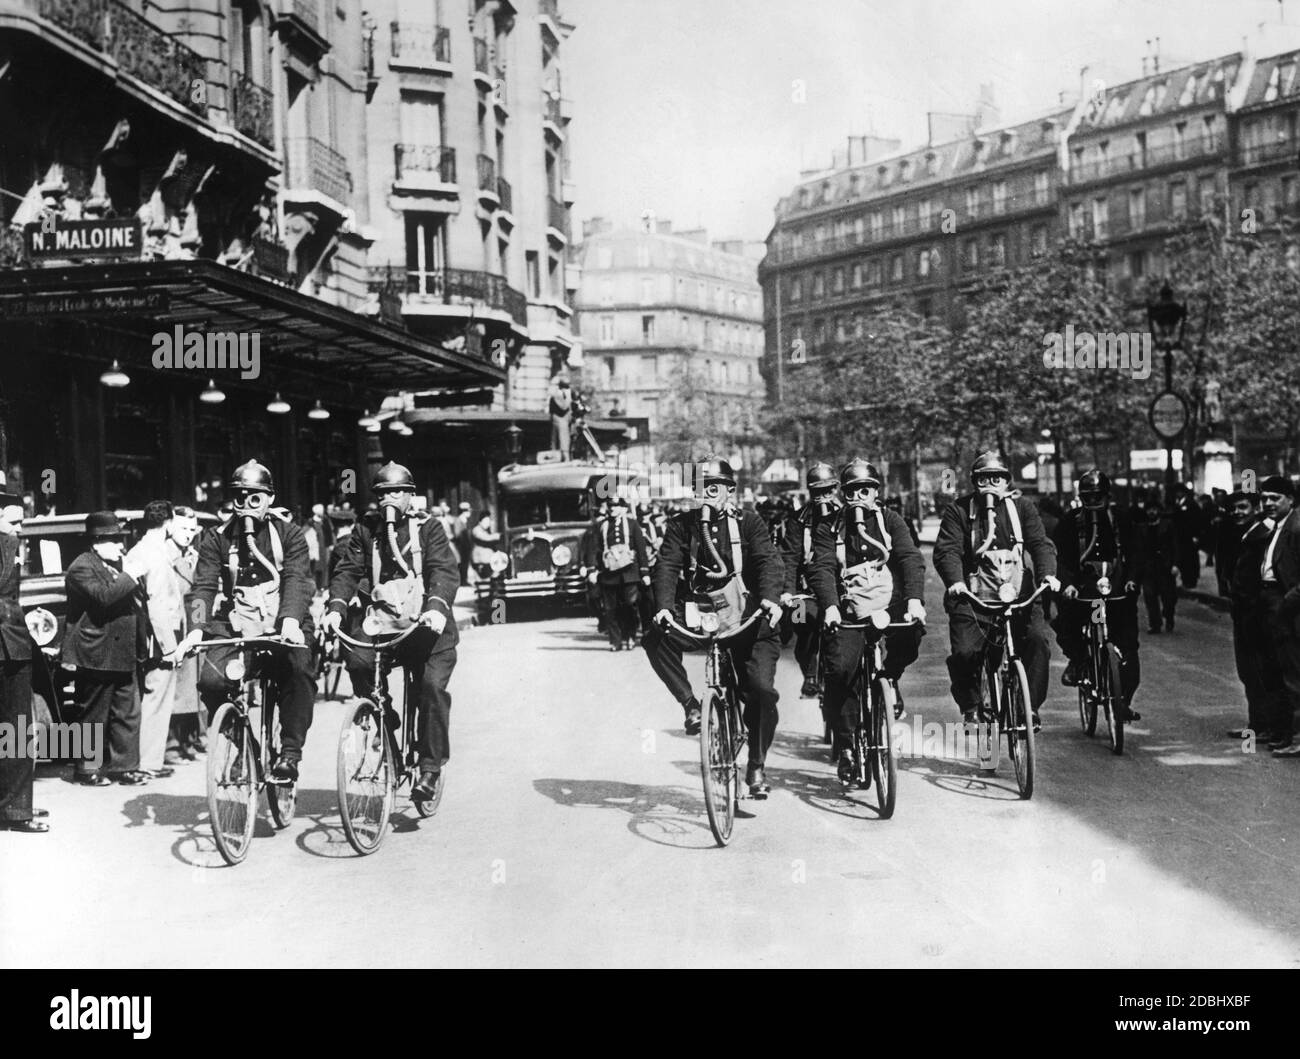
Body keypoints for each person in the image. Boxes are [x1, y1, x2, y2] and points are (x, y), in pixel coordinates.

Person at [643, 458, 784, 797]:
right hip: (702, 613)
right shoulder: (682, 526)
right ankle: (691, 705)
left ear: (728, 491)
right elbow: (666, 565)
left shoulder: (749, 522)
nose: (707, 495)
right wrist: (663, 608)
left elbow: (767, 560)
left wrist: (770, 599)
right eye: (700, 488)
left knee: (761, 690)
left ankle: (756, 763)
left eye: (714, 487)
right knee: (655, 638)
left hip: (747, 616)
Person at [322, 462, 461, 799]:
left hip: (427, 625)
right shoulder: (365, 530)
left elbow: (443, 569)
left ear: (410, 495)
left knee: (430, 687)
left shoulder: (429, 528)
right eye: (384, 493)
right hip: (385, 620)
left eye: (398, 492)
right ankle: (380, 710)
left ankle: (429, 768)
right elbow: (346, 571)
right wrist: (336, 609)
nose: (391, 499)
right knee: (357, 659)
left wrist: (437, 608)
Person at [177, 461, 316, 782]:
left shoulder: (290, 534)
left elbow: (298, 579)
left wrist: (292, 621)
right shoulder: (216, 538)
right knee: (211, 682)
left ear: (269, 499)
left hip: (284, 620)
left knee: (298, 672)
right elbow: (204, 586)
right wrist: (196, 628)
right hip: (238, 621)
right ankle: (243, 743)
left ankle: (290, 754)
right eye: (240, 498)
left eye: (255, 498)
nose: (247, 506)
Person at [810, 459, 927, 783]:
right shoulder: (829, 527)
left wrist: (914, 599)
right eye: (852, 492)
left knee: (912, 635)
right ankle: (847, 746)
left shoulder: (891, 521)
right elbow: (821, 568)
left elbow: (908, 558)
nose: (860, 497)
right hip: (848, 609)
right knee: (840, 669)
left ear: (877, 492)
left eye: (866, 490)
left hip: (889, 605)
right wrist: (830, 607)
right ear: (843, 496)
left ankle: (890, 677)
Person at [932, 452, 1059, 729]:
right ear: (974, 483)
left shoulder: (1023, 508)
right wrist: (956, 581)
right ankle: (971, 705)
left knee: (1037, 642)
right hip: (974, 598)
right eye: (983, 479)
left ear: (1006, 482)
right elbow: (947, 551)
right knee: (965, 652)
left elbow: (1040, 544)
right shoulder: (959, 511)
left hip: (1018, 596)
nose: (990, 484)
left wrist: (1048, 575)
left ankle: (1029, 708)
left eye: (997, 478)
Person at [63, 512, 151, 785]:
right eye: (113, 541)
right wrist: (131, 575)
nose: (120, 546)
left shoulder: (117, 564)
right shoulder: (82, 567)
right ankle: (87, 769)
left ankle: (123, 767)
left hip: (123, 650)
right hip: (97, 651)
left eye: (119, 540)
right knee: (94, 713)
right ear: (96, 542)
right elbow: (103, 598)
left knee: (127, 711)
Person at [1052, 470, 1144, 720]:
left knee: (1128, 646)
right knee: (1067, 622)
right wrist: (1067, 584)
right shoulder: (1071, 521)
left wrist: (1133, 580)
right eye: (1088, 498)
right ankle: (1078, 660)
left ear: (1108, 496)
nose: (1093, 503)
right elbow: (1059, 558)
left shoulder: (1122, 519)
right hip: (1084, 593)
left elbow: (1136, 552)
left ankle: (1123, 698)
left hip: (1117, 594)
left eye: (1098, 497)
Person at [125, 500, 188, 779]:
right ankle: (149, 761)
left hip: (142, 635)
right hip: (158, 636)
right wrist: (170, 647)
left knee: (149, 697)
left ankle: (147, 758)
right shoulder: (157, 554)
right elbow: (159, 604)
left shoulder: (138, 550)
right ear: (170, 522)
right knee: (157, 698)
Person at [0, 488, 47, 831]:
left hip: (13, 647)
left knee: (16, 732)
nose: (19, 530)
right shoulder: (8, 546)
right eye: (13, 523)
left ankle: (16, 809)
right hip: (8, 646)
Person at [779, 462, 841, 700]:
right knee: (801, 623)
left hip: (839, 586)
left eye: (828, 491)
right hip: (805, 590)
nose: (823, 497)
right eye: (817, 492)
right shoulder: (799, 519)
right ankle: (810, 674)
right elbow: (790, 557)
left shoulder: (846, 515)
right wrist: (788, 591)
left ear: (836, 489)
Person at [1224, 490, 1280, 742]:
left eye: (1243, 507)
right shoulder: (1242, 533)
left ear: (1255, 507)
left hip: (1255, 613)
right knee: (1247, 671)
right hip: (1243, 612)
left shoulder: (1263, 533)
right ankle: (1257, 724)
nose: (1237, 512)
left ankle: (1268, 726)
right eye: (1234, 508)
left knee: (1260, 670)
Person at [1256, 476, 1300, 757]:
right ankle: (1285, 732)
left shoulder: (1296, 527)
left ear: (1291, 500)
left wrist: (1285, 604)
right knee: (1279, 672)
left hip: (1288, 607)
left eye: (1275, 498)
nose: (1268, 503)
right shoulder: (1277, 526)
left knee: (1295, 676)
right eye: (1265, 498)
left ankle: (1296, 736)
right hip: (1272, 602)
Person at [584, 495, 651, 651]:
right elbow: (593, 550)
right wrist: (592, 570)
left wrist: (645, 572)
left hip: (629, 573)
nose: (612, 509)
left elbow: (641, 550)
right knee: (610, 609)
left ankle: (630, 636)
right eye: (610, 506)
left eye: (616, 506)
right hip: (609, 575)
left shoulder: (632, 525)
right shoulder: (601, 526)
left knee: (630, 605)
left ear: (623, 508)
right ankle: (616, 640)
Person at [164, 507, 204, 763]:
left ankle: (188, 742)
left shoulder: (194, 556)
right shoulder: (164, 555)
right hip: (172, 627)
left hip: (191, 626)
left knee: (192, 688)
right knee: (173, 689)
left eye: (192, 530)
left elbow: (200, 592)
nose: (188, 535)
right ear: (170, 528)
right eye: (183, 529)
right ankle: (170, 746)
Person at [1135, 490, 1178, 633]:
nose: (1152, 512)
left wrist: (1175, 564)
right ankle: (1155, 624)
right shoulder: (1142, 528)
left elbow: (1174, 546)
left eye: (1154, 509)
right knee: (1150, 596)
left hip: (1165, 567)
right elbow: (1139, 549)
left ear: (1159, 511)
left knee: (1168, 597)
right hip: (1149, 567)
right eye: (1149, 510)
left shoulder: (1168, 525)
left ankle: (1169, 618)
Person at [549, 377, 574, 459]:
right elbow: (564, 406)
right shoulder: (562, 394)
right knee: (564, 438)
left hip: (556, 418)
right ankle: (565, 457)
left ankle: (556, 456)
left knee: (555, 439)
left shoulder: (555, 394)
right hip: (561, 417)